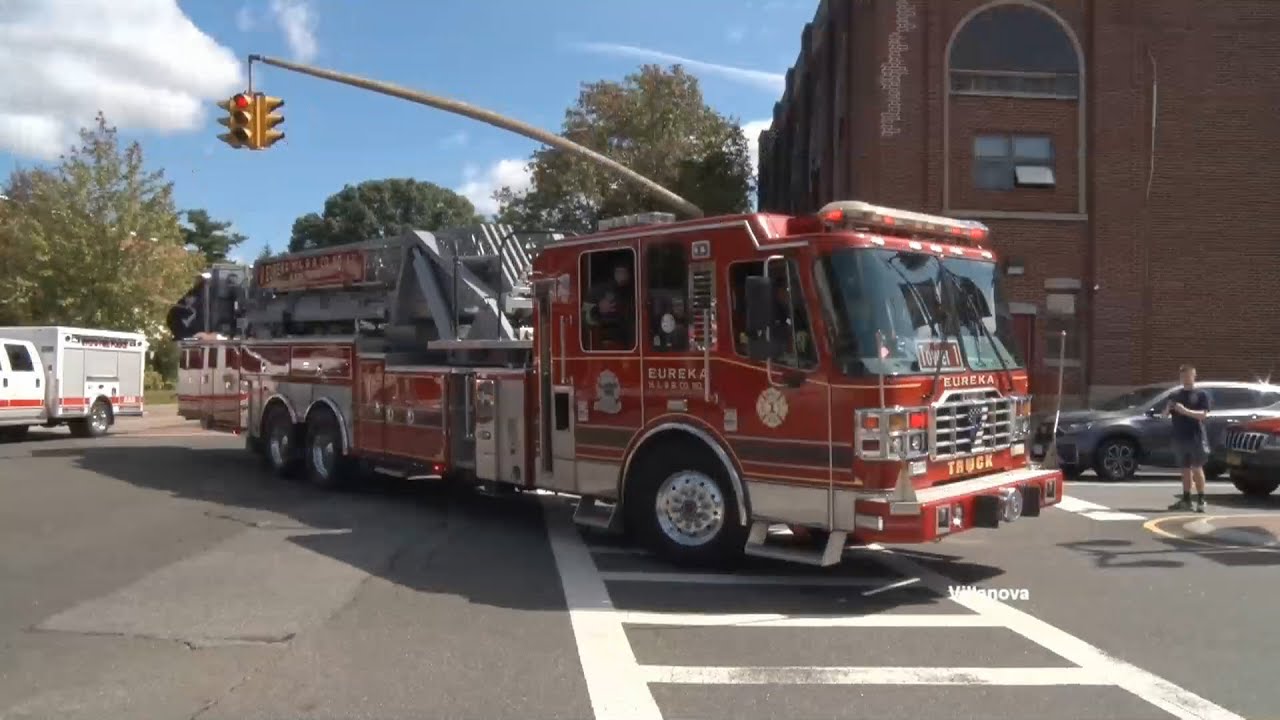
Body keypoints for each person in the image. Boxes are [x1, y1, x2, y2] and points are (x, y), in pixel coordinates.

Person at [1165, 364, 1212, 512]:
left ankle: (1201, 499)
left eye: (1188, 375)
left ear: (1194, 376)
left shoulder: (1201, 395)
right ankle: (1186, 500)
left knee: (1197, 467)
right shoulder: (1175, 395)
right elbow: (1164, 415)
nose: (1185, 378)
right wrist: (1167, 409)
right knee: (1185, 469)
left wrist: (1185, 411)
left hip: (1195, 436)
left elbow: (1203, 415)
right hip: (1180, 436)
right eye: (1182, 376)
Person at [583, 262, 634, 348]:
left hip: (630, 342)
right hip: (608, 344)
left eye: (624, 272)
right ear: (613, 273)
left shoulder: (635, 292)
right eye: (619, 272)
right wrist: (598, 310)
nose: (621, 275)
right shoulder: (598, 291)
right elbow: (585, 320)